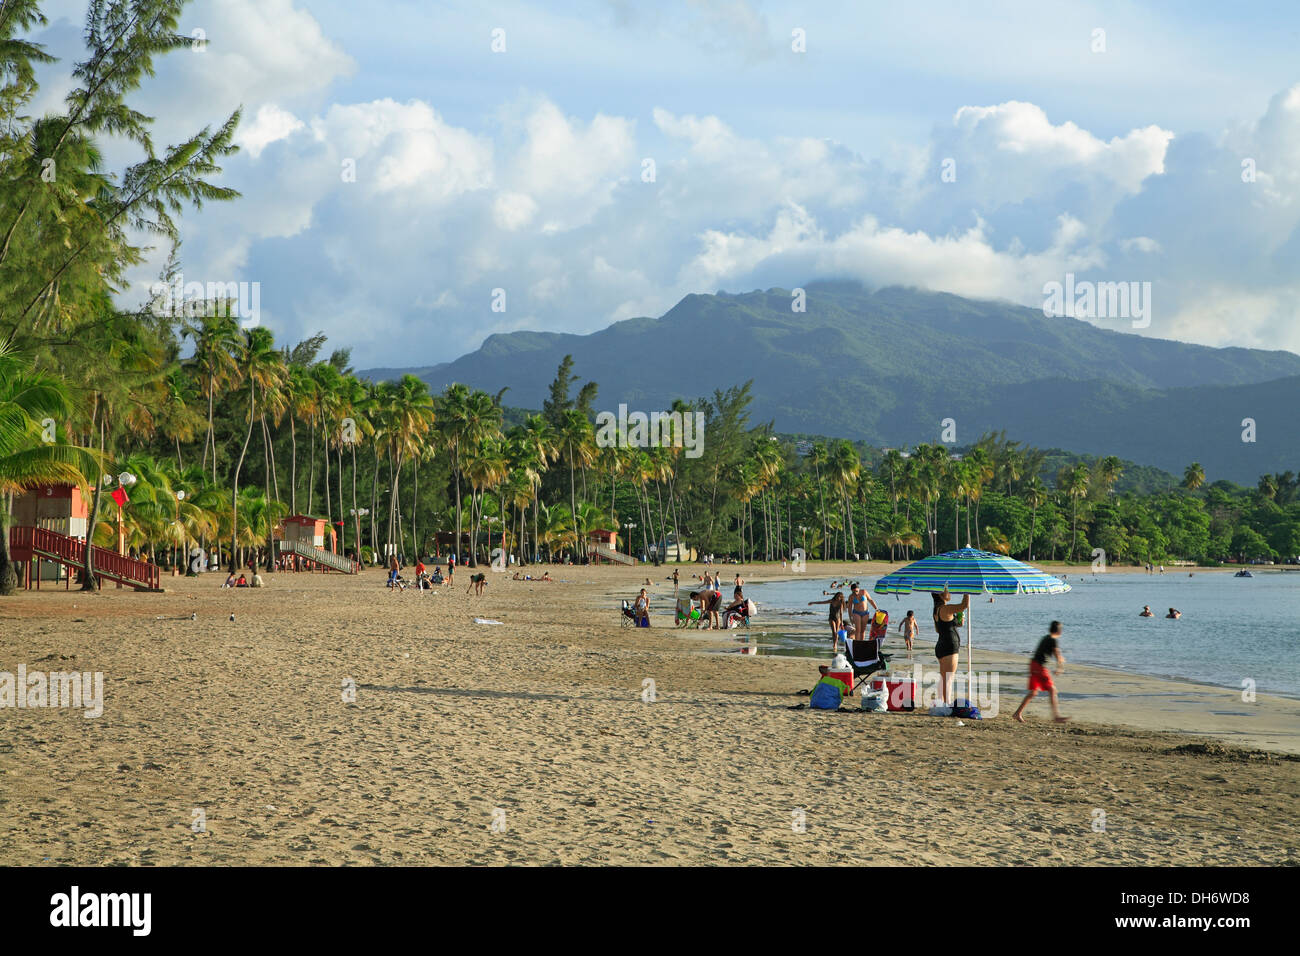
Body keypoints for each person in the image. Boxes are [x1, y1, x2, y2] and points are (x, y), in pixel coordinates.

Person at [1013, 621, 1068, 723]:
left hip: (1033, 664)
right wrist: (1060, 667)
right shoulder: (1053, 640)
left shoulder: (1045, 638)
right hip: (1039, 667)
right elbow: (1057, 653)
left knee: (1033, 692)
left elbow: (1053, 653)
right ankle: (1056, 716)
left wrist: (1060, 659)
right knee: (1052, 690)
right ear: (1059, 631)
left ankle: (1017, 713)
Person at [932, 588, 969, 706]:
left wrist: (957, 623)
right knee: (949, 678)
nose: (949, 593)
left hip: (941, 645)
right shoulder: (945, 608)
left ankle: (942, 702)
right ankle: (946, 704)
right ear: (941, 595)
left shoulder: (937, 610)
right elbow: (964, 605)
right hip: (949, 646)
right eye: (947, 591)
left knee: (944, 677)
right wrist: (967, 591)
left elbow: (939, 629)